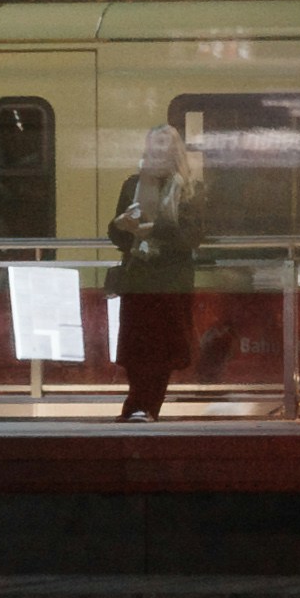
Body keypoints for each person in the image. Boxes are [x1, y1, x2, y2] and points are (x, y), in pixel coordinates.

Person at [108, 124, 210, 421]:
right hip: (138, 278)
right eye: (153, 145)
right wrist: (122, 225)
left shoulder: (191, 188)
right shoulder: (132, 185)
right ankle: (138, 406)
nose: (157, 151)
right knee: (136, 349)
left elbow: (192, 236)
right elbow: (116, 236)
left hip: (170, 281)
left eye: (163, 145)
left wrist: (156, 229)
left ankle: (143, 407)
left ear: (175, 150)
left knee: (161, 351)